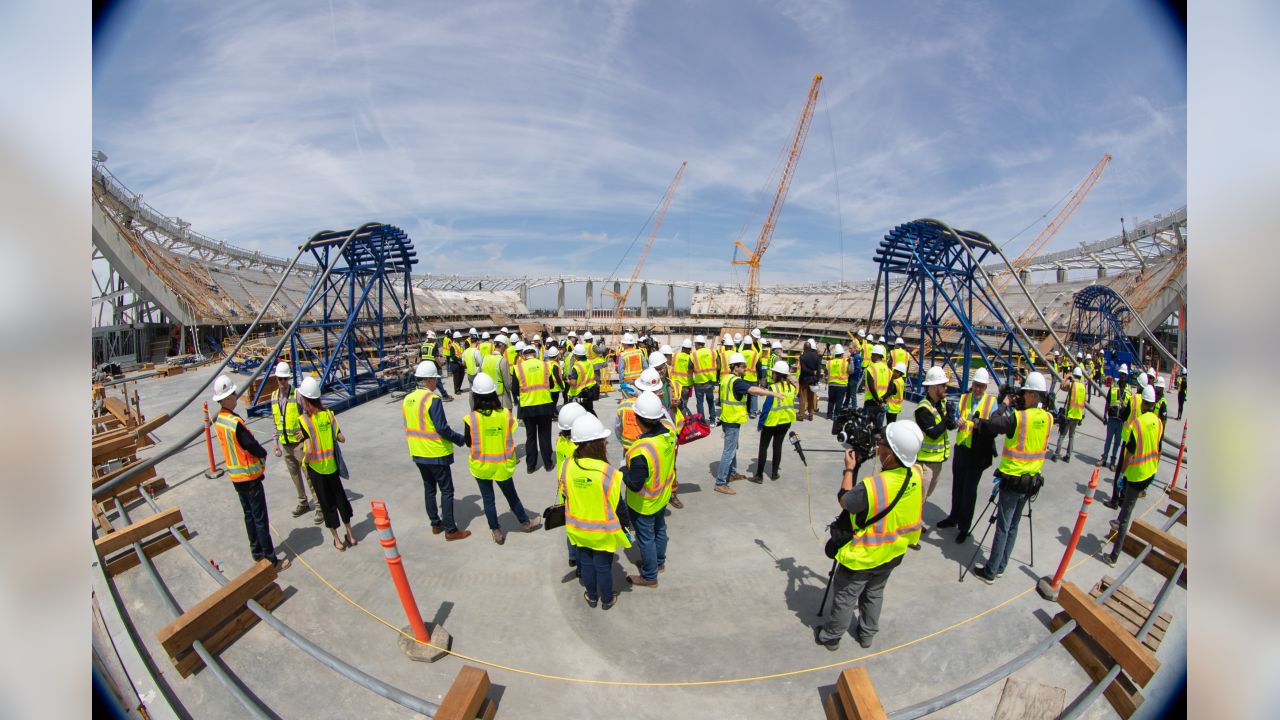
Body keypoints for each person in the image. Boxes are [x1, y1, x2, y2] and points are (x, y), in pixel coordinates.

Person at [814, 421, 924, 651]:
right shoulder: (916, 472)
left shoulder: (874, 485)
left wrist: (849, 469)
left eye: (883, 443)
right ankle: (867, 634)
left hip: (865, 555)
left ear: (892, 455)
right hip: (894, 552)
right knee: (875, 593)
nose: (879, 446)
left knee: (846, 595)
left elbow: (846, 501)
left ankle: (832, 636)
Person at [971, 372, 1054, 584]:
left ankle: (990, 571)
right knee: (1014, 526)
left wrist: (1005, 404)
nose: (1023, 396)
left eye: (1026, 393)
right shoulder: (1048, 418)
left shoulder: (1019, 418)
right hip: (1031, 482)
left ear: (1034, 396)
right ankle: (1001, 566)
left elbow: (993, 424)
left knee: (1003, 526)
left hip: (1013, 481)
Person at [210, 375, 290, 570]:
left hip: (236, 477)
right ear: (227, 398)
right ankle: (271, 560)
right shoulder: (235, 422)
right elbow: (251, 445)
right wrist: (263, 453)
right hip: (249, 476)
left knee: (249, 516)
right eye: (233, 394)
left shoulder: (220, 419)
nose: (236, 397)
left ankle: (256, 552)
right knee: (260, 518)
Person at [562, 414, 631, 610]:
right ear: (598, 444)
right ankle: (607, 599)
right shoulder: (608, 472)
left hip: (578, 530)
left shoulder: (567, 466)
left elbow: (565, 494)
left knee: (586, 563)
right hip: (603, 532)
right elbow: (618, 506)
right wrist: (626, 525)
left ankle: (592, 597)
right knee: (602, 567)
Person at [462, 373, 540, 545]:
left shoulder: (471, 418)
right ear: (494, 394)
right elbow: (510, 430)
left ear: (474, 396)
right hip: (501, 466)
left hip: (480, 467)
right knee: (512, 496)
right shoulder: (505, 415)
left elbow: (468, 442)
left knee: (488, 499)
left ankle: (495, 530)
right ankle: (526, 523)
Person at [403, 361, 471, 541]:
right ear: (429, 380)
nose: (436, 383)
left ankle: (435, 524)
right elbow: (442, 428)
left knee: (429, 489)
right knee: (447, 490)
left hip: (418, 452)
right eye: (435, 380)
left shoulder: (408, 399)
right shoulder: (432, 399)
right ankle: (450, 529)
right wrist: (460, 439)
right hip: (435, 453)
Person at [1102, 385, 1163, 566]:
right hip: (1150, 472)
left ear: (1144, 402)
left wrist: (1122, 475)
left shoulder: (1138, 423)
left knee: (1127, 511)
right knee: (1128, 505)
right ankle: (1118, 519)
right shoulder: (1158, 422)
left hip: (1136, 475)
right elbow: (1158, 449)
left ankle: (1114, 556)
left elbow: (1129, 454)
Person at [296, 376, 357, 552]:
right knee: (340, 500)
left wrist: (304, 461)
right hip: (332, 467)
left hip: (316, 470)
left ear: (305, 399)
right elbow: (341, 438)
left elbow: (308, 449)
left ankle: (337, 541)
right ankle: (351, 536)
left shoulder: (303, 420)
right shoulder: (329, 415)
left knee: (327, 504)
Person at [622, 392, 676, 588]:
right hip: (662, 495)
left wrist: (622, 472)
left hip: (644, 503)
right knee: (660, 529)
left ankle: (649, 575)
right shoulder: (669, 434)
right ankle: (658, 563)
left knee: (645, 539)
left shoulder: (641, 450)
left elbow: (635, 484)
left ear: (638, 419)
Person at [938, 367, 998, 543]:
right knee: (957, 485)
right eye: (975, 386)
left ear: (986, 387)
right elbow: (957, 417)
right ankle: (953, 517)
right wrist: (957, 420)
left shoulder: (991, 403)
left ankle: (964, 527)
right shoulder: (964, 398)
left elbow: (994, 428)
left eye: (981, 386)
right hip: (962, 447)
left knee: (970, 491)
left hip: (977, 452)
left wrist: (980, 426)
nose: (978, 389)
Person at [714, 352, 786, 494]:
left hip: (729, 418)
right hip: (732, 420)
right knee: (728, 452)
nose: (746, 368)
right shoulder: (737, 382)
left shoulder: (726, 379)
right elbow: (753, 389)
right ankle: (720, 482)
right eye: (743, 366)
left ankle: (733, 474)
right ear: (735, 367)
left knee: (733, 448)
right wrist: (773, 393)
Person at [269, 362, 320, 523]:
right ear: (276, 379)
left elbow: (308, 412)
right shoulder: (273, 396)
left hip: (298, 445)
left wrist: (304, 433)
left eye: (285, 379)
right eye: (280, 379)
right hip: (285, 444)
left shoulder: (296, 394)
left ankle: (319, 507)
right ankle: (303, 502)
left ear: (288, 378)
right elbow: (275, 420)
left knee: (309, 476)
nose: (282, 382)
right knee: (295, 476)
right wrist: (275, 441)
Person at [914, 366, 956, 515]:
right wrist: (946, 417)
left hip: (937, 461)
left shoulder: (941, 404)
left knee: (925, 496)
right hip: (924, 463)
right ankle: (911, 528)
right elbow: (934, 433)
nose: (946, 388)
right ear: (933, 387)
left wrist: (951, 416)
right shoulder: (923, 409)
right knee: (918, 497)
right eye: (943, 385)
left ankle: (915, 522)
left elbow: (950, 426)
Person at [513, 344, 556, 473]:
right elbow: (552, 384)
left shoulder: (518, 368)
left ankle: (531, 466)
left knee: (530, 437)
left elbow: (515, 390)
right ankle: (548, 464)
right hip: (545, 405)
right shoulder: (545, 365)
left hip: (527, 407)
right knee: (545, 435)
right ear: (535, 354)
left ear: (524, 356)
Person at [556, 403, 588, 570]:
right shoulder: (578, 448)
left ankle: (572, 556)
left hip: (564, 491)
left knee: (571, 526)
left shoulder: (560, 441)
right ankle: (581, 561)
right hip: (579, 492)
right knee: (582, 527)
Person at [754, 360, 797, 482]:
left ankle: (759, 475)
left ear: (777, 374)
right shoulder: (791, 388)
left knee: (763, 447)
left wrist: (760, 423)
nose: (772, 375)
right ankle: (774, 473)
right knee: (777, 447)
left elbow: (766, 408)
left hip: (771, 423)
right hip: (785, 422)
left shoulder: (773, 388)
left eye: (773, 373)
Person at [1050, 366, 1087, 463]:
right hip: (1077, 416)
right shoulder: (1083, 387)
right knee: (1071, 437)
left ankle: (1056, 455)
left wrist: (1066, 377)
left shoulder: (1072, 385)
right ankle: (1068, 456)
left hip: (1069, 415)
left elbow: (1062, 387)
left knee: (1062, 435)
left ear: (1074, 375)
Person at [1098, 364, 1131, 470]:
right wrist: (1104, 415)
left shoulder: (1129, 389)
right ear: (1119, 374)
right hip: (1112, 418)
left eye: (1124, 374)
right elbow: (1108, 401)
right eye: (1121, 374)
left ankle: (1112, 462)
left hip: (1121, 420)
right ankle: (1104, 459)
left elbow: (1130, 407)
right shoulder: (1113, 386)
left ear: (1126, 376)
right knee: (1108, 440)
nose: (1122, 376)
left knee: (1117, 442)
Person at [862, 344, 891, 428]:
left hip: (870, 403)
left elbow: (871, 387)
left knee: (865, 427)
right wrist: (883, 399)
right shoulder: (889, 371)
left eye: (872, 355)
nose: (871, 356)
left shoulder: (870, 369)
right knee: (878, 428)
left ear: (876, 356)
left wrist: (878, 400)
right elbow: (891, 388)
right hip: (882, 403)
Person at [691, 335, 718, 424]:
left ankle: (701, 422)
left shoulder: (694, 355)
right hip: (710, 382)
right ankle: (712, 421)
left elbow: (689, 368)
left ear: (698, 344)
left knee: (700, 403)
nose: (695, 346)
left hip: (699, 382)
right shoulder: (713, 352)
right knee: (710, 401)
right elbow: (718, 366)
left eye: (695, 344)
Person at [566, 344, 598, 415]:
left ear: (577, 356)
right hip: (589, 392)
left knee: (578, 415)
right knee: (589, 412)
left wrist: (568, 381)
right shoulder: (589, 362)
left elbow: (573, 384)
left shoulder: (576, 366)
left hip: (578, 394)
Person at [797, 339, 823, 421]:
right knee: (811, 398)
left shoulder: (802, 357)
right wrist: (816, 378)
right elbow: (819, 370)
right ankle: (810, 414)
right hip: (812, 380)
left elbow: (804, 369)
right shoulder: (817, 357)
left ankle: (801, 415)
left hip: (804, 380)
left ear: (805, 348)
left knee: (802, 398)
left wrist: (811, 372)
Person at [616, 333, 646, 398]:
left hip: (628, 380)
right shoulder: (639, 352)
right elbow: (645, 366)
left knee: (628, 399)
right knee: (640, 398)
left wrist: (621, 381)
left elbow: (621, 370)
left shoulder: (623, 355)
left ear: (625, 344)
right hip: (639, 379)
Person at [826, 344, 850, 419]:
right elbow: (850, 371)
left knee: (831, 401)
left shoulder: (829, 363)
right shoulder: (845, 363)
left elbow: (827, 372)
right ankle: (836, 415)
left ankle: (829, 415)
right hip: (842, 385)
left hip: (832, 384)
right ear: (842, 354)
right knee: (839, 401)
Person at [671, 339, 694, 415]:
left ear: (682, 347)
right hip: (685, 385)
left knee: (674, 404)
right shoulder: (691, 358)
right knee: (683, 405)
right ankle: (683, 422)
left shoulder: (675, 355)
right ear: (689, 349)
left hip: (674, 385)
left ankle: (675, 420)